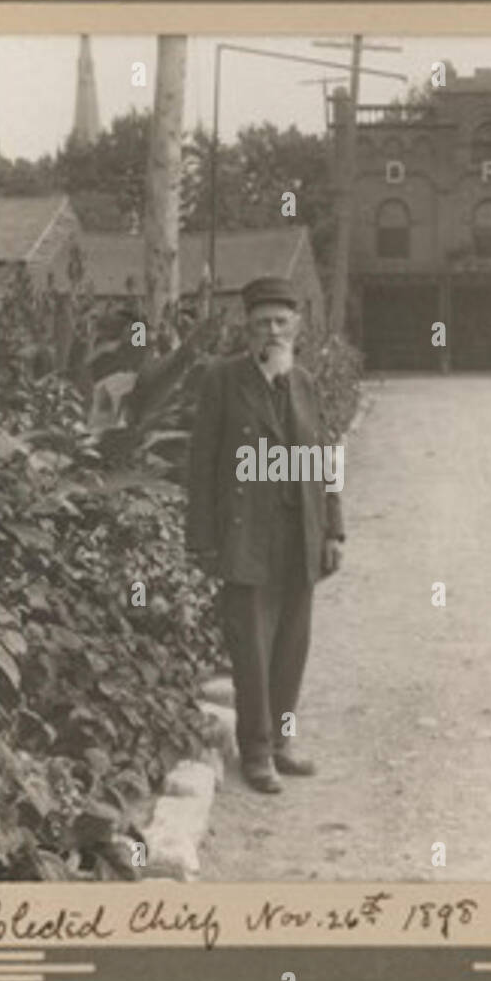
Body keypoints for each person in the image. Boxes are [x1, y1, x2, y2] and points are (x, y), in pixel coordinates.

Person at [186, 275, 345, 793]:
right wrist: (203, 541)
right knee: (251, 648)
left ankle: (282, 742)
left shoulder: (304, 384)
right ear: (246, 329)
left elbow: (324, 460)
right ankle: (255, 753)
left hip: (299, 531)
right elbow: (201, 463)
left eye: (280, 322)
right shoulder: (222, 379)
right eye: (261, 324)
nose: (272, 332)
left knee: (292, 645)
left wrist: (334, 529)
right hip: (245, 534)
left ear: (296, 327)